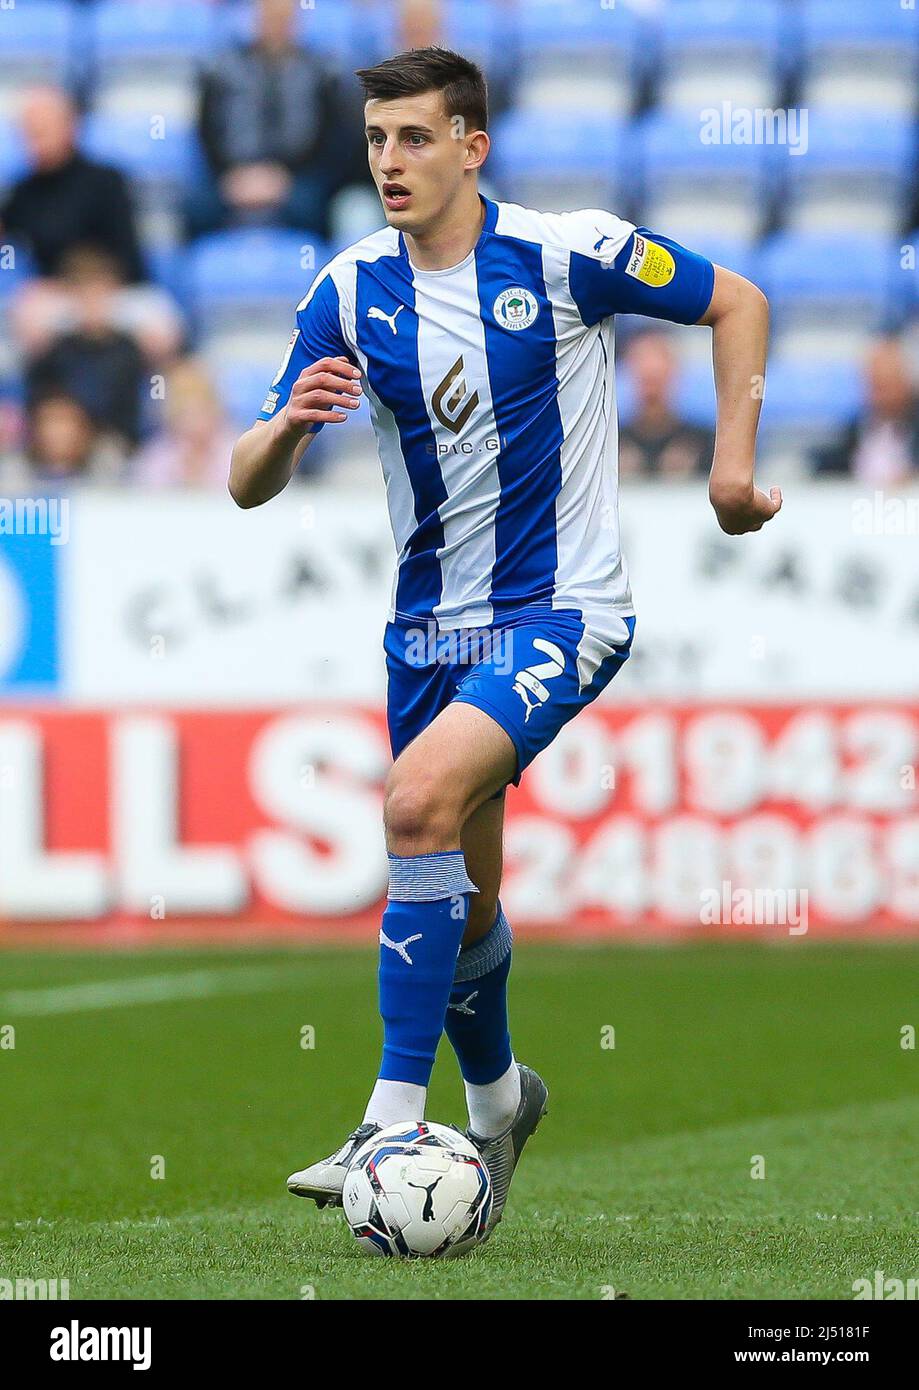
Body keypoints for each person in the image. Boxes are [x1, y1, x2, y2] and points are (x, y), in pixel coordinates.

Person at [229, 47, 780, 1244]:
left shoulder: (567, 250)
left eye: (416, 138)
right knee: (464, 893)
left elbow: (740, 297)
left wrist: (731, 472)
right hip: (424, 633)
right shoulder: (346, 286)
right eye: (377, 140)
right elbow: (242, 480)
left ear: (470, 146)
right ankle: (499, 1101)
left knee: (413, 801)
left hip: (562, 612)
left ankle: (385, 1118)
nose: (390, 161)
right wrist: (284, 431)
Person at [187, 0, 352, 238]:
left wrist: (284, 177)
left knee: (312, 207)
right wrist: (232, 175)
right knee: (197, 209)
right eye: (269, 17)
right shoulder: (221, 70)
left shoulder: (321, 73)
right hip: (233, 177)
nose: (275, 26)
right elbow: (207, 130)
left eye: (282, 18)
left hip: (298, 178)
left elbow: (331, 140)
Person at [0, 86, 144, 283]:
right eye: (28, 133)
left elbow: (128, 257)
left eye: (41, 131)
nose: (34, 143)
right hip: (53, 296)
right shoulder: (24, 191)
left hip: (115, 290)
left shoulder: (105, 182)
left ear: (69, 126)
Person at [812, 336, 919, 483]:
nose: (878, 396)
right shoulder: (856, 428)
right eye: (872, 385)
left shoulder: (913, 429)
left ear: (907, 383)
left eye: (885, 386)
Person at [619, 330, 715, 478]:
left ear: (674, 375)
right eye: (646, 380)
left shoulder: (704, 443)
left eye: (657, 380)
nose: (651, 393)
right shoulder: (611, 444)